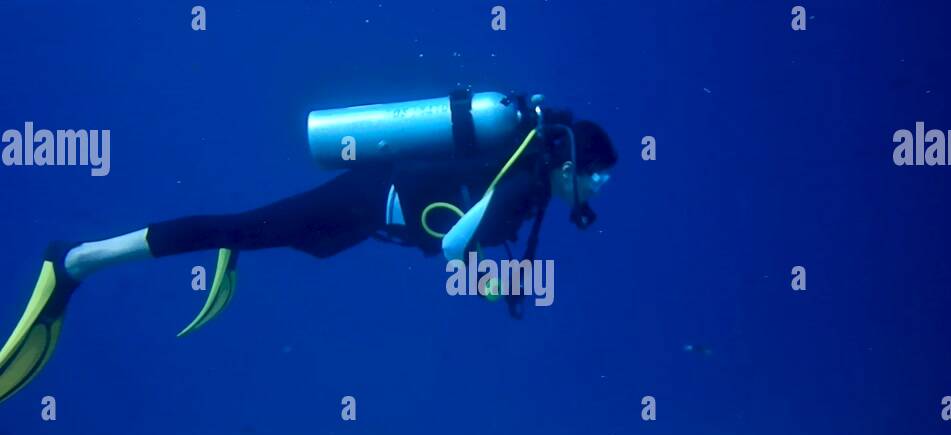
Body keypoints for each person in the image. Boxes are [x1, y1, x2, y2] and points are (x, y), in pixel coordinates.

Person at [0, 90, 618, 404]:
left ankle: (236, 245)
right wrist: (489, 279)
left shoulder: (528, 182)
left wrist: (489, 273)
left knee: (277, 236)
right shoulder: (520, 181)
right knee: (239, 226)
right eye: (596, 174)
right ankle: (75, 260)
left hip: (375, 215)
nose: (597, 186)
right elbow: (458, 243)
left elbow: (464, 231)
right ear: (570, 162)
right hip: (368, 198)